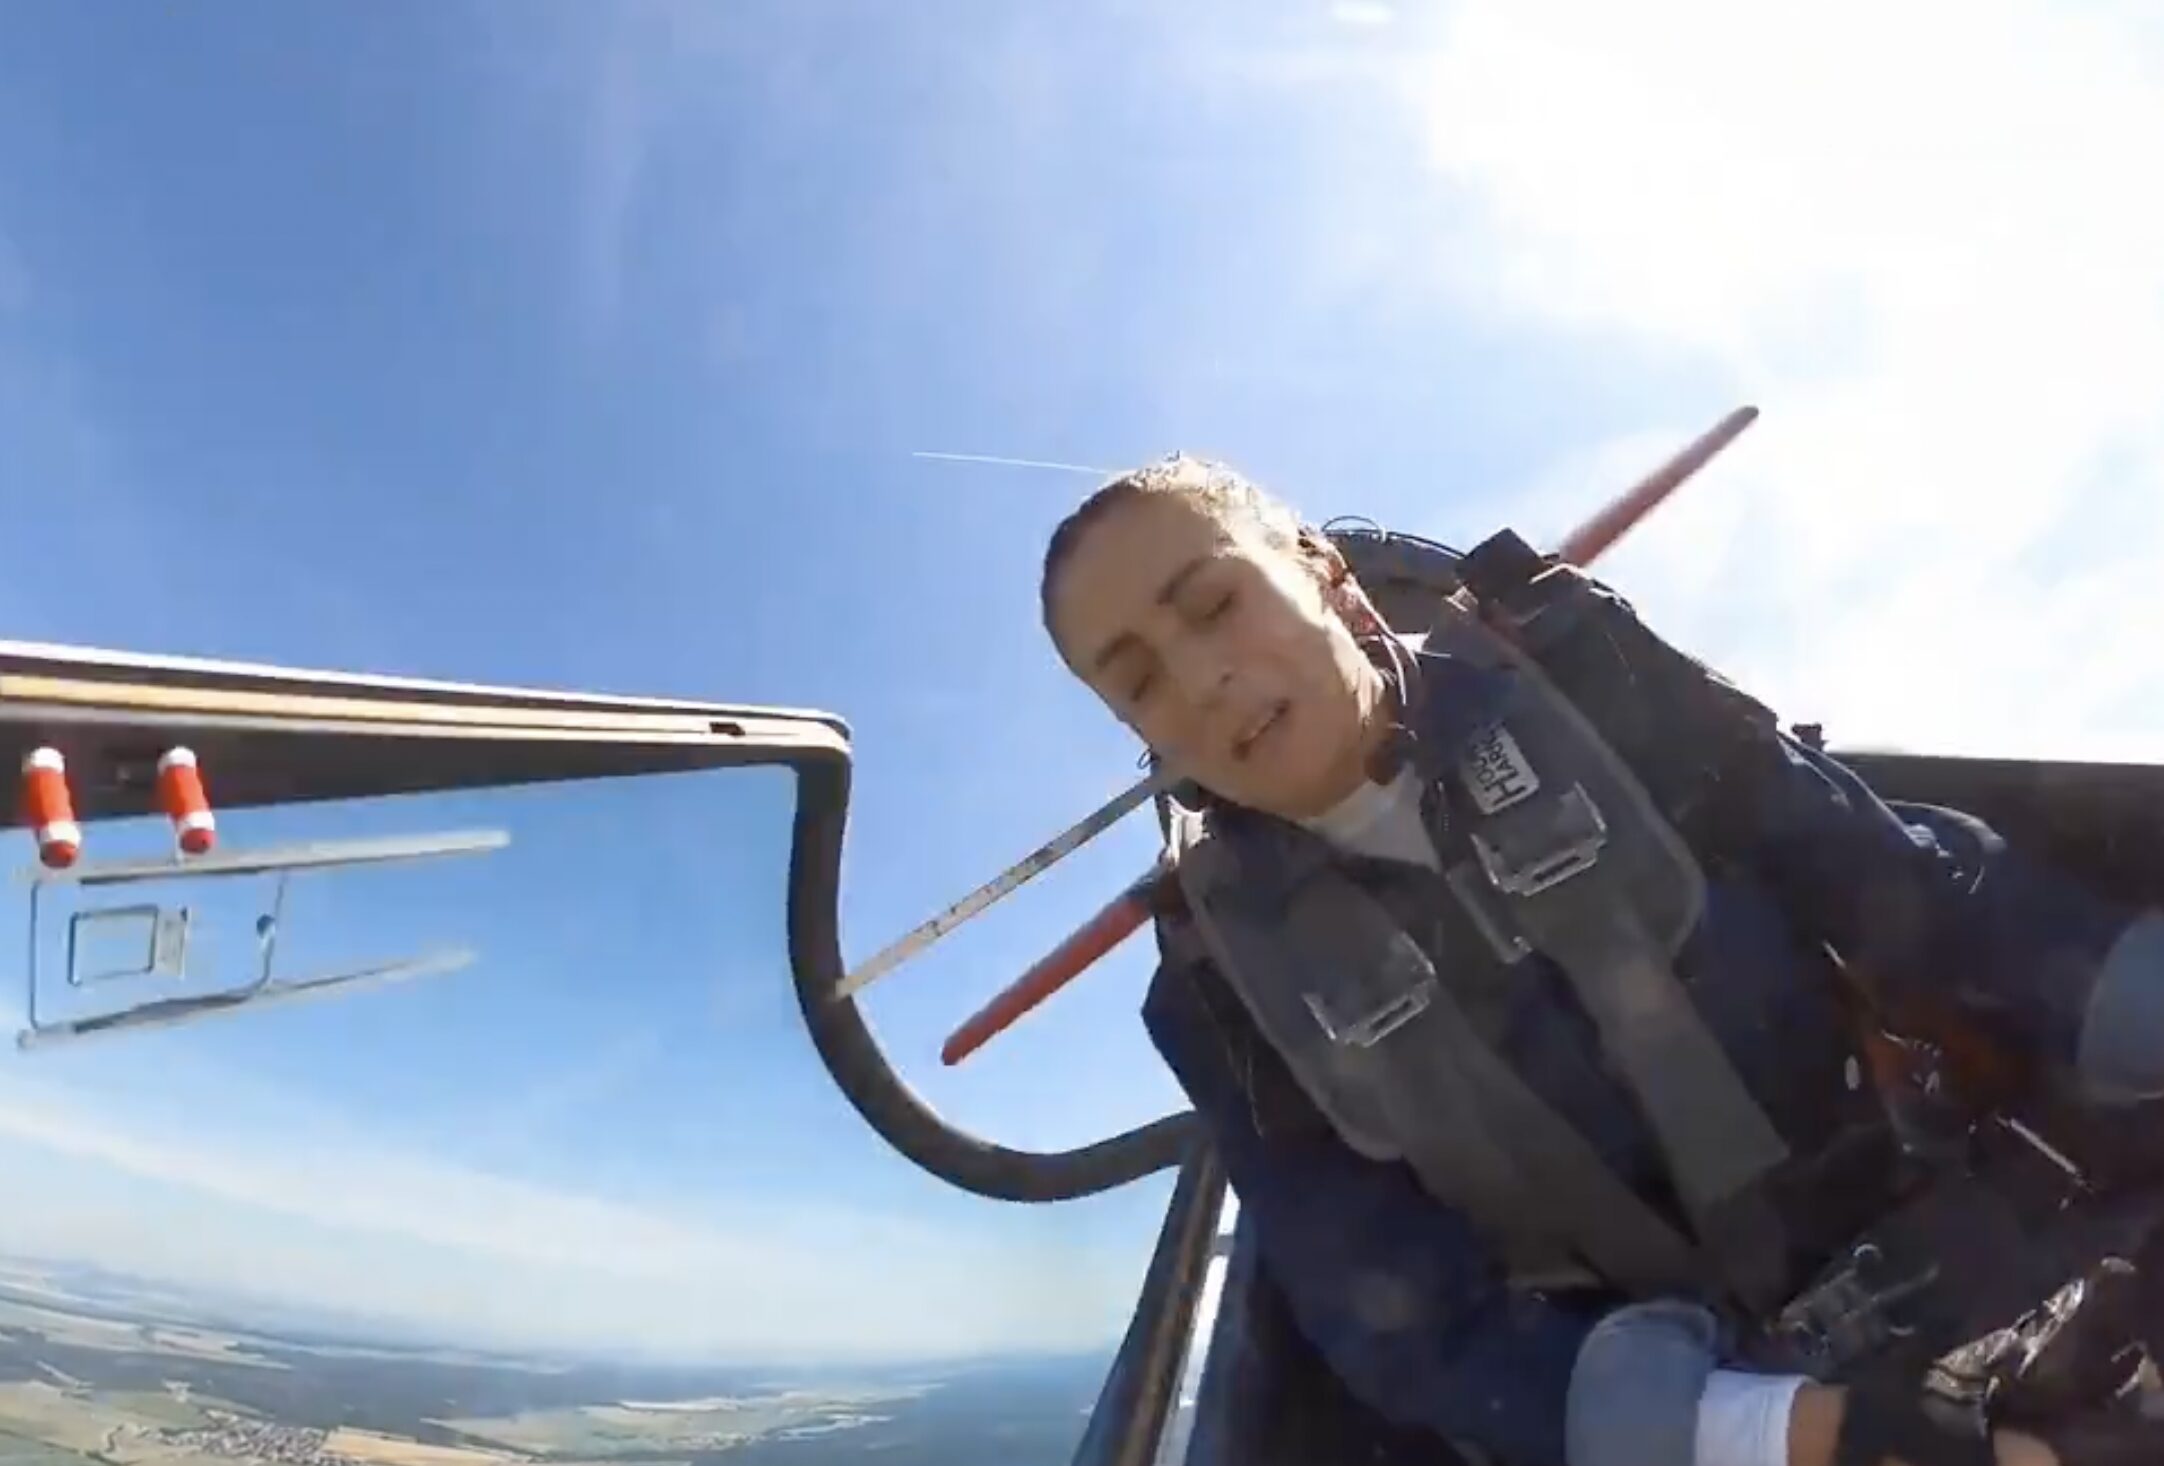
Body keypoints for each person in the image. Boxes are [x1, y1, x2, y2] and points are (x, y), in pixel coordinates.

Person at [1037, 453, 2164, 1466]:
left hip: (1962, 1242)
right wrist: (1792, 1433)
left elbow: (1909, 885)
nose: (1198, 680)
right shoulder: (1218, 993)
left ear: (1321, 568)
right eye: (1138, 681)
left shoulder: (1590, 683)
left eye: (1215, 605)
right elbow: (1408, 1325)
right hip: (1671, 1406)